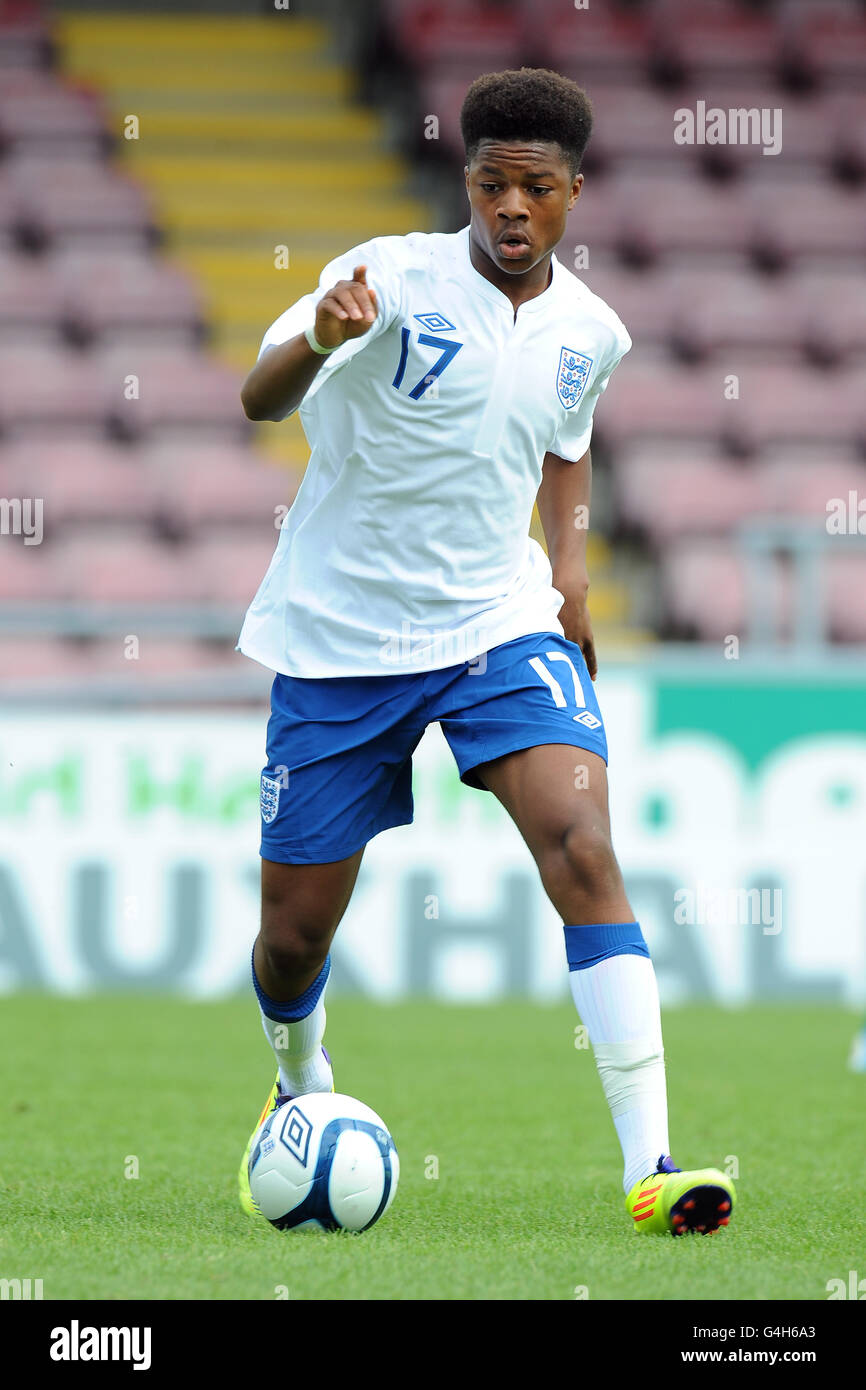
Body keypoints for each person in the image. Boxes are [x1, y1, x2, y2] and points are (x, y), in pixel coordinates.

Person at [236, 67, 735, 1236]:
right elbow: (259, 398)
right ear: (465, 183)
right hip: (340, 633)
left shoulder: (590, 331)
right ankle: (299, 1072)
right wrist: (316, 333)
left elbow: (566, 442)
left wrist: (566, 573)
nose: (513, 207)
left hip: (495, 625)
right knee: (293, 932)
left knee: (582, 841)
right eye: (491, 183)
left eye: (537, 188)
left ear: (573, 192)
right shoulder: (383, 279)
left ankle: (652, 1165)